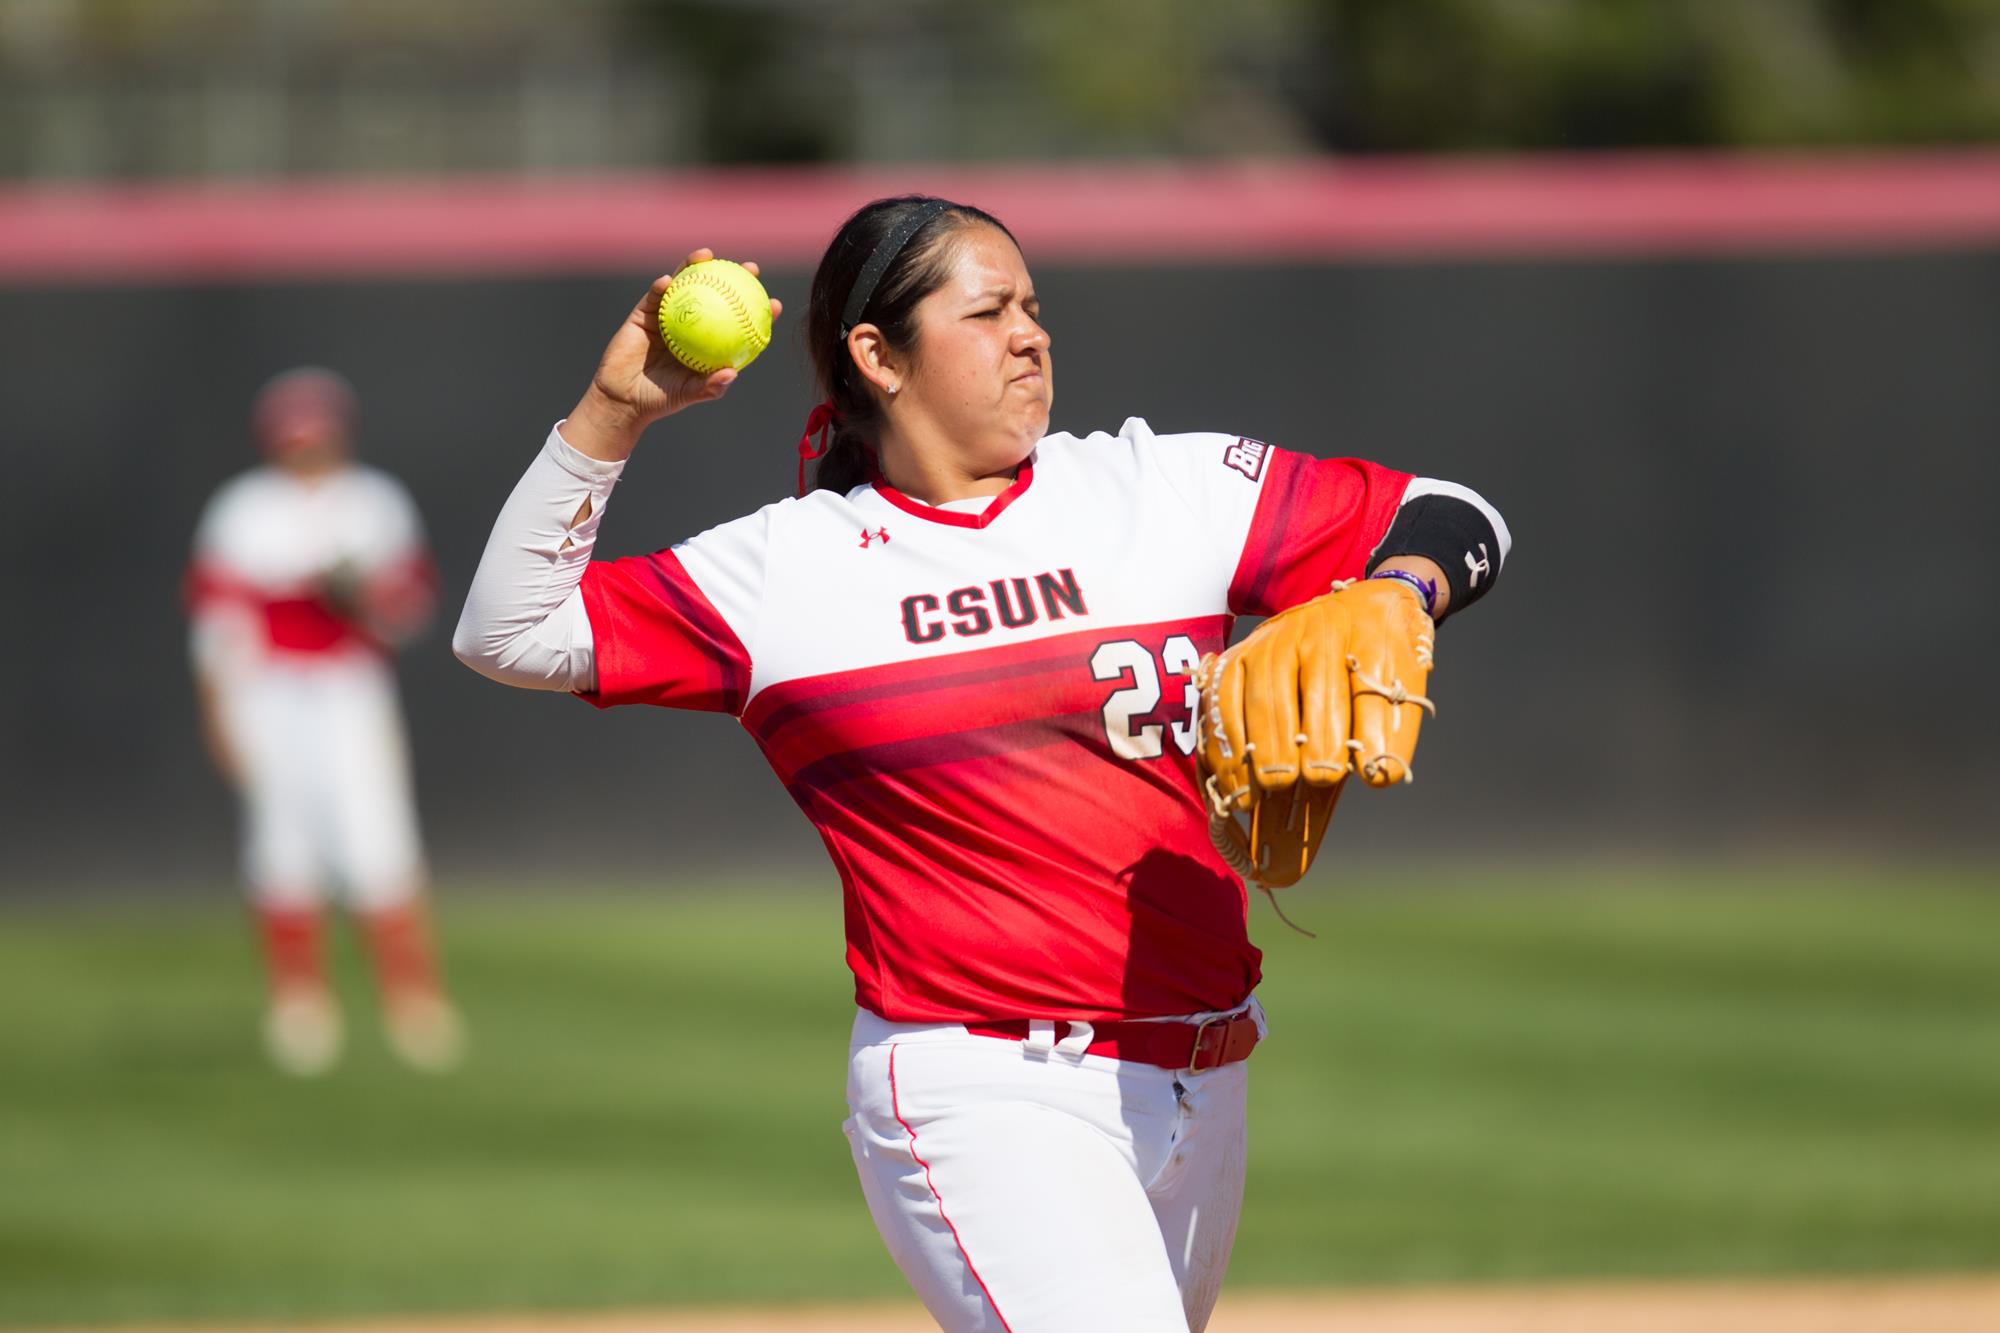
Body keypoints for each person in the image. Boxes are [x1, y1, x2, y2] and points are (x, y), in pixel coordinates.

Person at [453, 196, 1508, 1332]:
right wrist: (615, 411)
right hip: (983, 1087)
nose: (1030, 335)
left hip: (1206, 1071)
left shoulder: (1160, 488)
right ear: (878, 356)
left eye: (1034, 307)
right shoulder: (785, 572)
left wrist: (1403, 588)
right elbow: (509, 629)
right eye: (989, 310)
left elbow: (1451, 511)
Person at [187, 367, 464, 1077]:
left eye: (317, 438)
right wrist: (220, 711)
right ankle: (300, 1005)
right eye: (295, 440)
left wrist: (364, 598)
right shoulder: (243, 509)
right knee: (282, 845)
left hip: (348, 685)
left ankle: (412, 1001)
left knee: (379, 839)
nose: (307, 451)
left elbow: (412, 610)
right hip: (269, 690)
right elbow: (218, 624)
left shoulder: (374, 502)